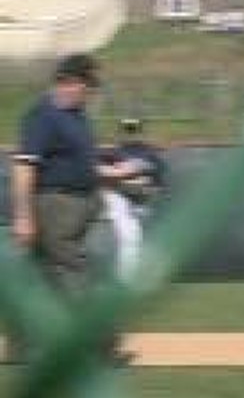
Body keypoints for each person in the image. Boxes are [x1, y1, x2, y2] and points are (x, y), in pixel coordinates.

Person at [8, 53, 141, 364]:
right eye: (87, 86)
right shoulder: (43, 115)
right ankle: (102, 346)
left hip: (79, 203)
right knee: (76, 273)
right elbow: (24, 166)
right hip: (56, 205)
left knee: (35, 277)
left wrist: (114, 174)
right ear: (68, 82)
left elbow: (81, 164)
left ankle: (21, 347)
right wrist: (24, 216)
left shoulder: (76, 116)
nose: (90, 93)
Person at [99, 117, 167, 280]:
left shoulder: (150, 154)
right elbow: (97, 174)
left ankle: (135, 275)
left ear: (140, 131)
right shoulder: (111, 153)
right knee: (130, 237)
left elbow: (159, 183)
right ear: (121, 132)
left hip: (140, 201)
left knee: (137, 240)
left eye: (133, 129)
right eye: (127, 129)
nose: (130, 133)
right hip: (119, 198)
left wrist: (150, 192)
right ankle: (126, 279)